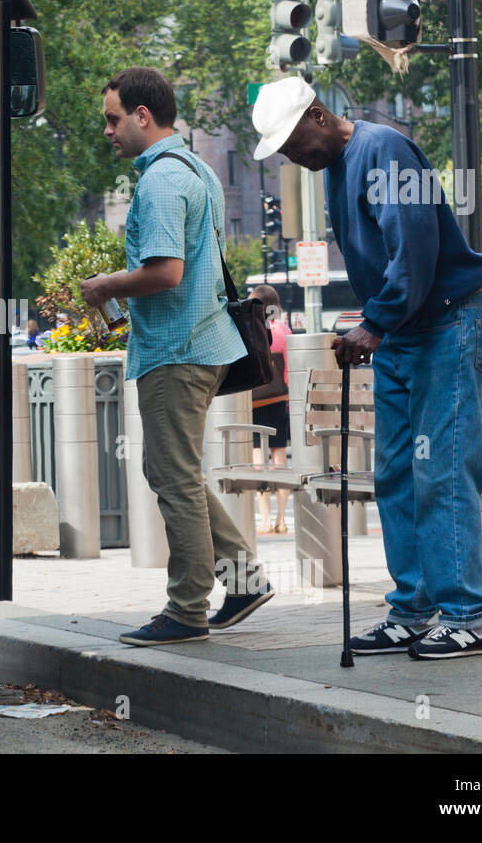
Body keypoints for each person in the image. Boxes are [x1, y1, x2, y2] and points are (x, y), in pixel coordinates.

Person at [252, 76, 482, 660]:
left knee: (439, 466)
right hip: (407, 329)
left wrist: (375, 322)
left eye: (293, 144)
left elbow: (414, 247)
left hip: (450, 320)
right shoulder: (340, 166)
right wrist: (378, 323)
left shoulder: (381, 148)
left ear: (317, 115)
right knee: (396, 471)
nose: (294, 157)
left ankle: (470, 615)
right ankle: (413, 609)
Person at [83, 66, 273, 646]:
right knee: (174, 473)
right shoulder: (199, 171)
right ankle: (243, 580)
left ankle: (187, 609)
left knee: (175, 479)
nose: (109, 132)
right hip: (202, 343)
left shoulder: (161, 181)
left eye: (114, 120)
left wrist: (105, 286)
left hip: (176, 350)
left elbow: (166, 272)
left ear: (144, 115)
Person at [248, 284, 291, 534]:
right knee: (279, 457)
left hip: (254, 403)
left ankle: (264, 520)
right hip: (278, 402)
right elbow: (288, 373)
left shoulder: (252, 332)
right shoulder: (283, 332)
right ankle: (282, 519)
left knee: (257, 459)